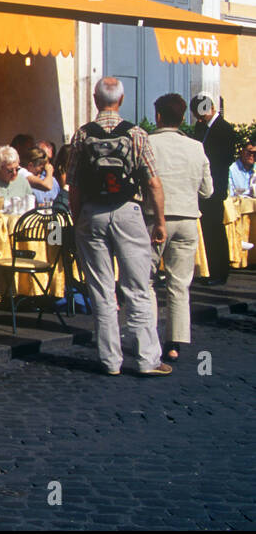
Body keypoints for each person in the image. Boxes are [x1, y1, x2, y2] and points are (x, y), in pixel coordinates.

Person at [69, 77, 169, 376]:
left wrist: (78, 220)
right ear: (121, 100)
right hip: (128, 211)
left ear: (95, 100)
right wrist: (160, 220)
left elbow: (72, 184)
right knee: (137, 288)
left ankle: (110, 360)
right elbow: (152, 181)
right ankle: (146, 359)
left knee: (101, 289)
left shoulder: (82, 135)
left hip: (92, 214)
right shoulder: (137, 134)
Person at [148, 93, 212, 363]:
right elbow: (208, 190)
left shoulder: (148, 144)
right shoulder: (196, 147)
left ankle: (148, 338)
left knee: (147, 281)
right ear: (183, 118)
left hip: (154, 218)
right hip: (187, 218)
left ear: (158, 116)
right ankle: (174, 343)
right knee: (179, 284)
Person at [192, 93, 237, 286]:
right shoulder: (200, 128)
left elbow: (223, 160)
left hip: (215, 186)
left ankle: (220, 271)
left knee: (215, 229)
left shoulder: (224, 129)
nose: (199, 119)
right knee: (206, 231)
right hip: (200, 185)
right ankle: (210, 269)